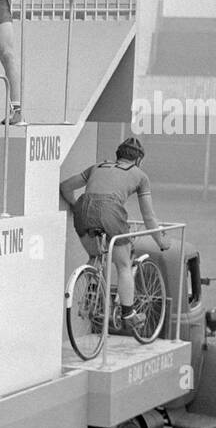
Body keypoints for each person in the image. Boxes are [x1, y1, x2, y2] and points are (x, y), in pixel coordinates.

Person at [59, 137, 170, 332]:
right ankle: (128, 314)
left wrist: (77, 206)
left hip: (83, 210)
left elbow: (66, 186)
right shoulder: (140, 176)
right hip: (110, 211)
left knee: (95, 255)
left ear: (117, 156)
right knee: (123, 265)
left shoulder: (97, 166)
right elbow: (149, 217)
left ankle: (91, 295)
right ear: (138, 160)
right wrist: (161, 241)